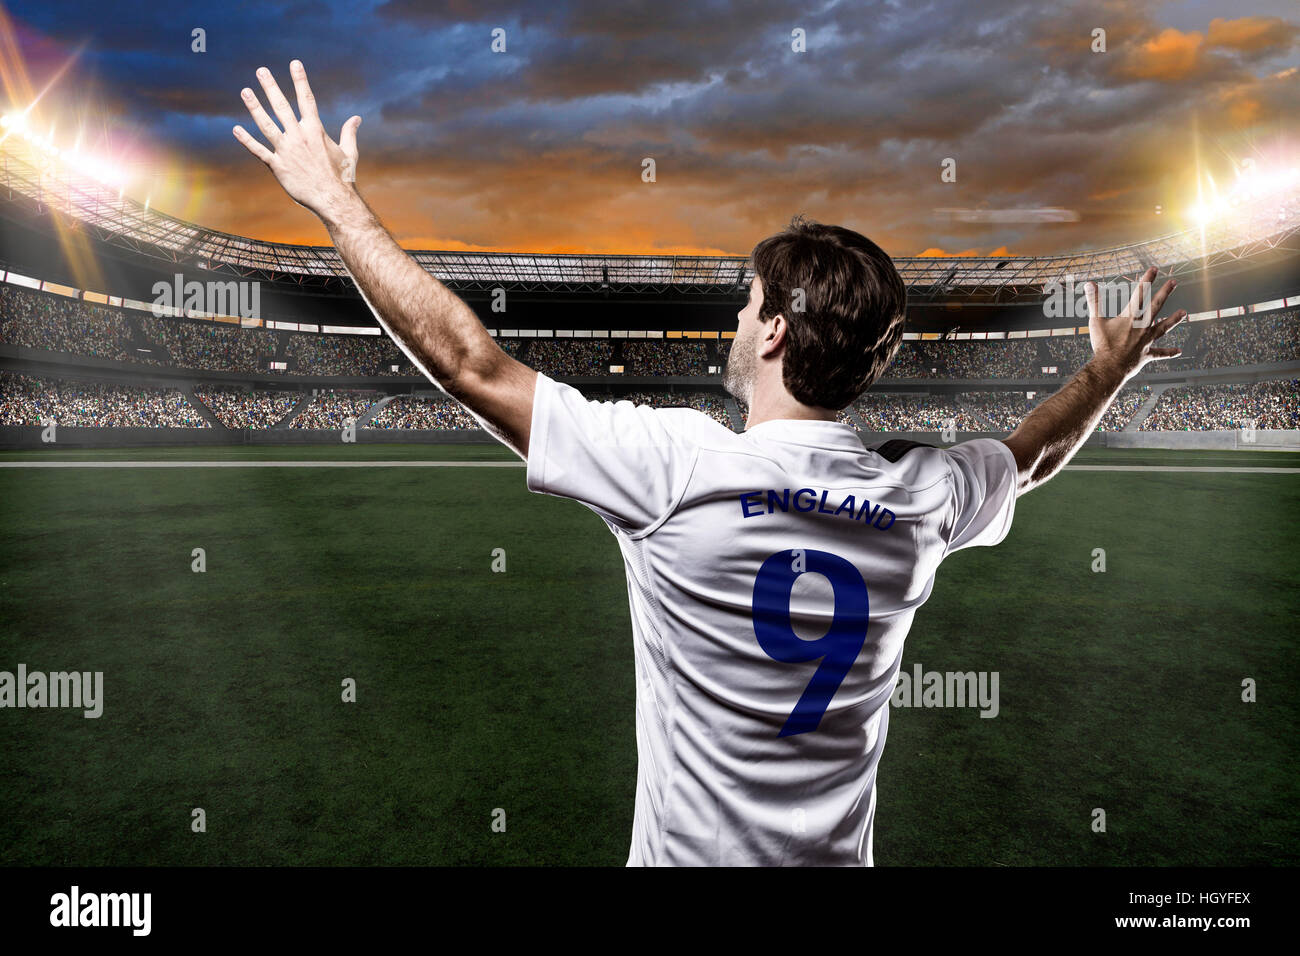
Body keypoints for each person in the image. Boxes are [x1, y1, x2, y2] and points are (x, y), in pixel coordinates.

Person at [234, 61, 1188, 866]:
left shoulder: (677, 468)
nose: (734, 318)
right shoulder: (920, 498)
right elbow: (1028, 459)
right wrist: (1106, 371)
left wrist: (338, 205)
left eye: (746, 302)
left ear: (774, 331)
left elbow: (469, 363)